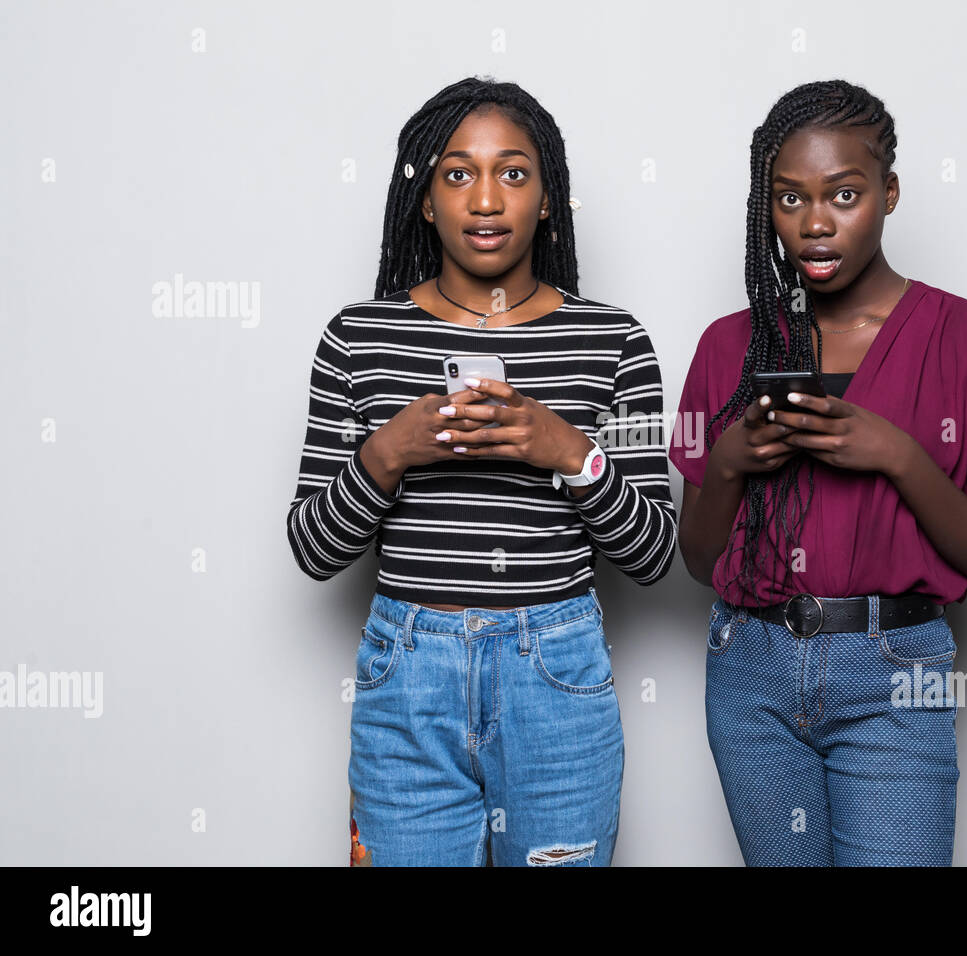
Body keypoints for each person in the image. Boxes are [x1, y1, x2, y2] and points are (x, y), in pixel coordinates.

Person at [286, 77, 676, 866]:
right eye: (458, 173)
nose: (486, 198)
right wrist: (389, 452)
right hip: (408, 670)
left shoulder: (614, 340)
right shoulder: (359, 338)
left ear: (546, 198)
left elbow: (654, 553)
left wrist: (567, 451)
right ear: (426, 201)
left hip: (556, 670)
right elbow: (313, 552)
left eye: (514, 172)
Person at [669, 79, 967, 866]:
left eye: (844, 194)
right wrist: (731, 463)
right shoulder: (725, 347)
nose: (814, 223)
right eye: (788, 199)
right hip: (751, 673)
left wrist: (899, 456)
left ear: (890, 192)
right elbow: (699, 560)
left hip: (895, 676)